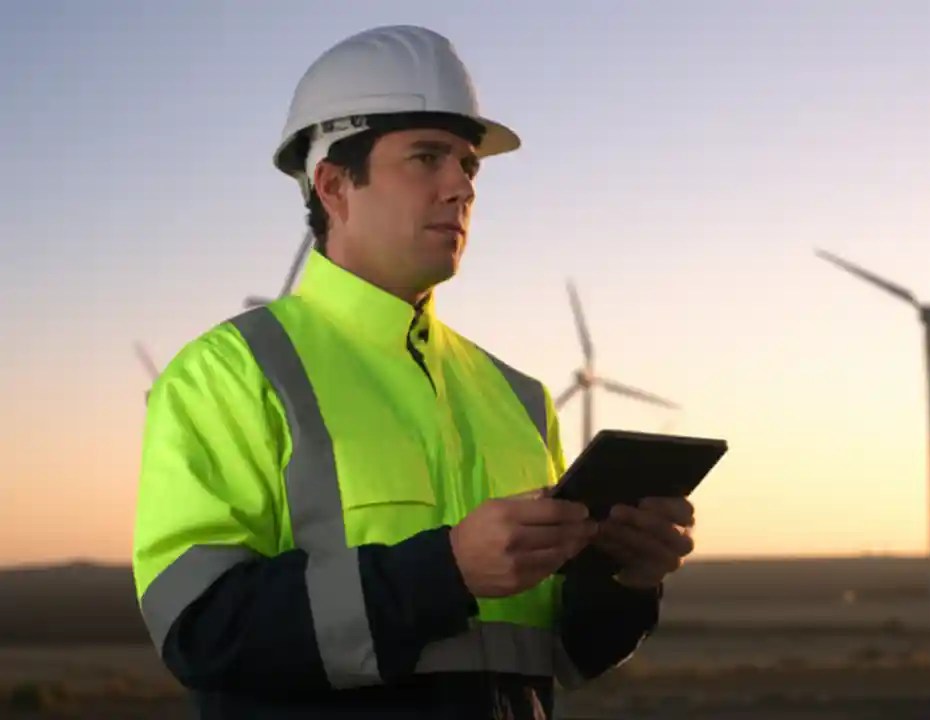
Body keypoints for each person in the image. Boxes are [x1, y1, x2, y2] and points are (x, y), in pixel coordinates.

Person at [132, 25, 697, 719]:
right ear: (334, 184)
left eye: (469, 165)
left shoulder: (520, 397)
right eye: (427, 157)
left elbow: (559, 654)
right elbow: (200, 628)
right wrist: (446, 571)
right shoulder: (227, 373)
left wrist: (624, 579)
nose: (461, 186)